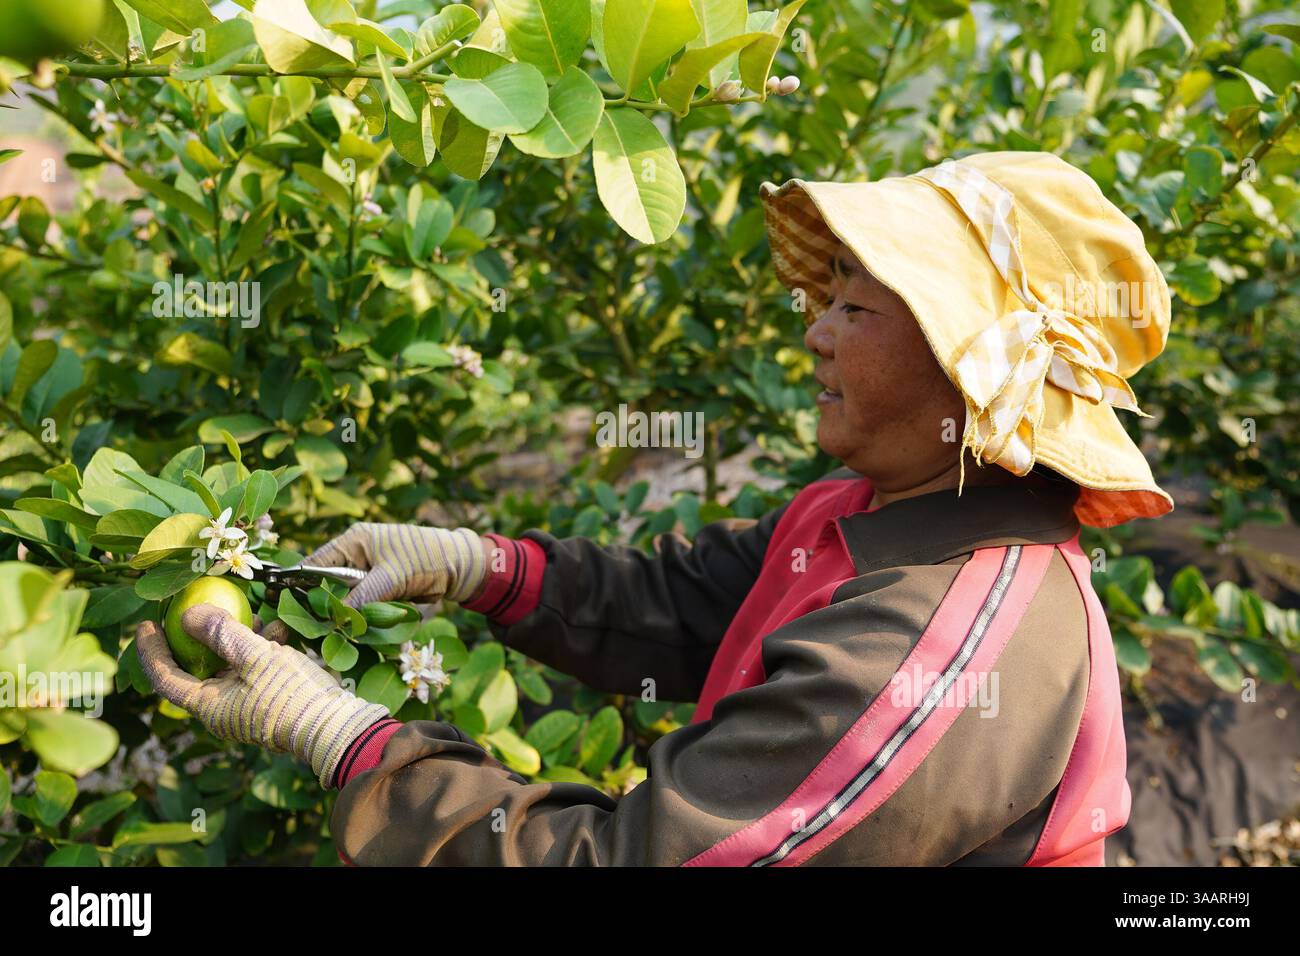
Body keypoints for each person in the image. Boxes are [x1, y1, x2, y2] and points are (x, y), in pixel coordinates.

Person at [136, 151, 1173, 866]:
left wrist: (345, 737)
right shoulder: (865, 514)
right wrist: (482, 567)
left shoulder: (940, 648)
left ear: (968, 373)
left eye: (855, 305)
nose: (814, 333)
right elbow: (695, 603)